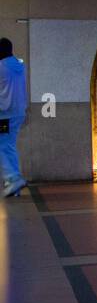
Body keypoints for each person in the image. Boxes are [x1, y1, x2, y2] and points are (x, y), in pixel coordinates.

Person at [0, 38, 28, 198]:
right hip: (18, 113)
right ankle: (14, 187)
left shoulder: (1, 67)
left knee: (1, 146)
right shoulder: (19, 65)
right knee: (8, 146)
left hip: (4, 115)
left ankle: (13, 179)